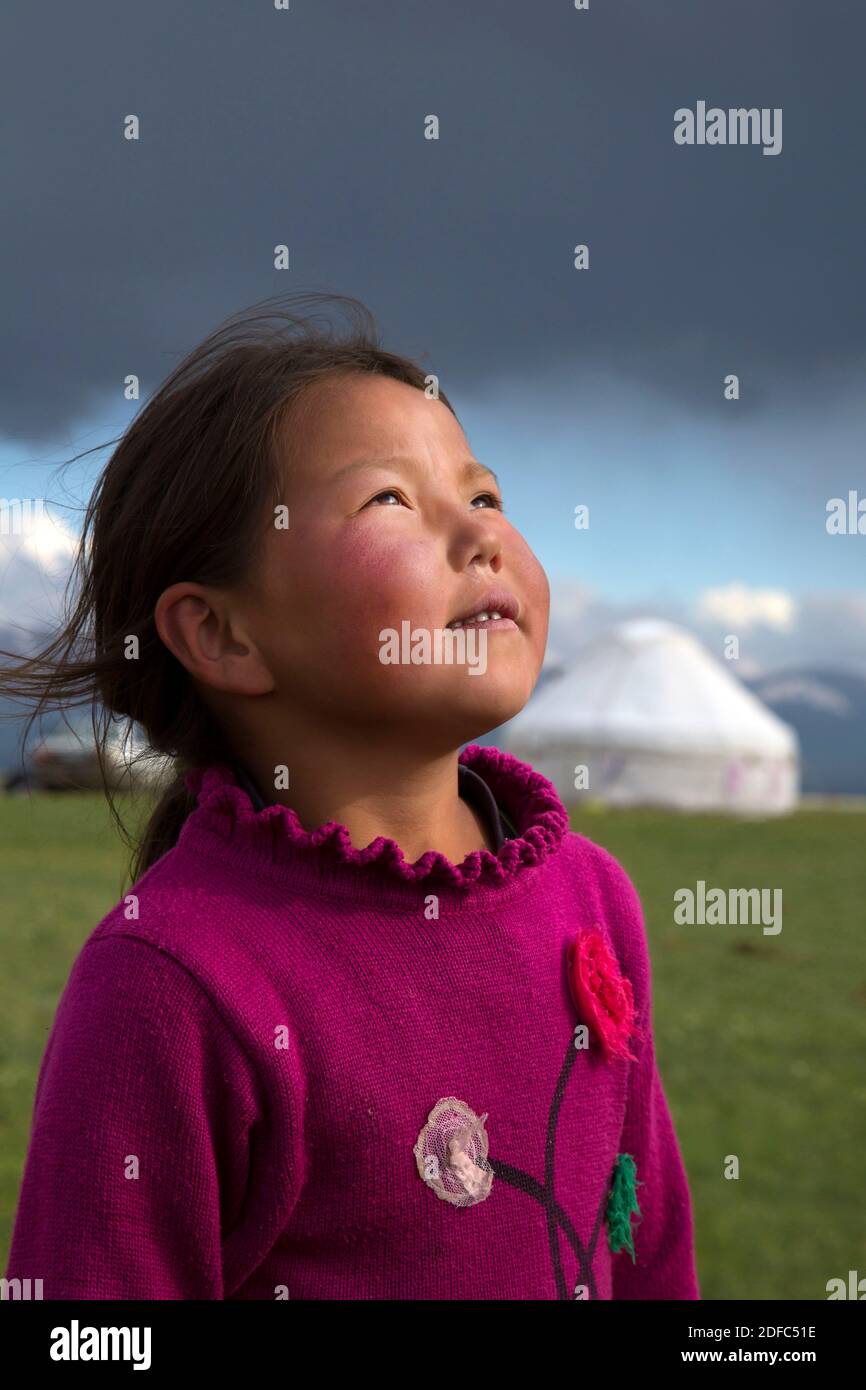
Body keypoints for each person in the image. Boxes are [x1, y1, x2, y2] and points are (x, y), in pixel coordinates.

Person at [1, 292, 699, 1300]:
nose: (479, 536)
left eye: (486, 496)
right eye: (389, 501)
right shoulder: (171, 981)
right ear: (225, 635)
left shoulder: (592, 899)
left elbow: (649, 1244)